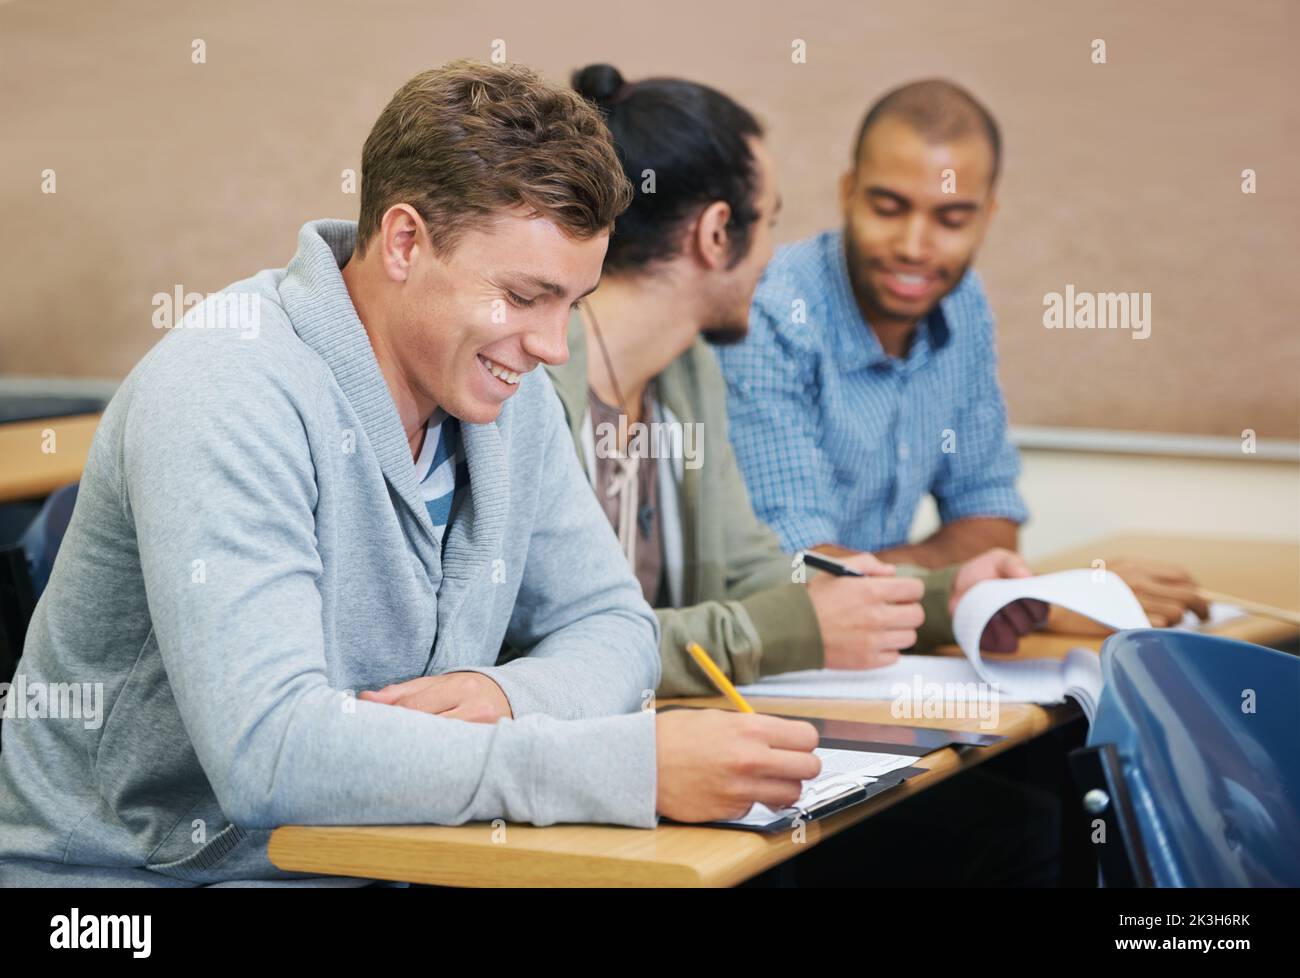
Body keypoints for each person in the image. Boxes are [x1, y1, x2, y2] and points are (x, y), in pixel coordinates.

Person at [0, 61, 823, 887]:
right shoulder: (224, 386)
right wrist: (624, 768)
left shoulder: (507, 389)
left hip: (374, 864)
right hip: (119, 895)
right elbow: (271, 751)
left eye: (572, 304)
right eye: (524, 295)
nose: (552, 348)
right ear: (403, 242)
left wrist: (505, 699)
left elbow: (616, 628)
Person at [546, 65, 1045, 698]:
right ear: (717, 233)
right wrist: (785, 629)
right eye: (770, 222)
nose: (771, 259)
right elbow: (554, 650)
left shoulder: (687, 370)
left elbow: (754, 569)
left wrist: (948, 596)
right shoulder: (539, 377)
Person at [715, 78, 1207, 626]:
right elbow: (800, 575)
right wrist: (1008, 591)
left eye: (951, 219)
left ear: (987, 216)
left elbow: (990, 517)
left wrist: (934, 577)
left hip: (886, 650)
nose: (914, 246)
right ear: (847, 192)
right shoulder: (770, 312)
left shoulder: (962, 303)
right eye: (889, 207)